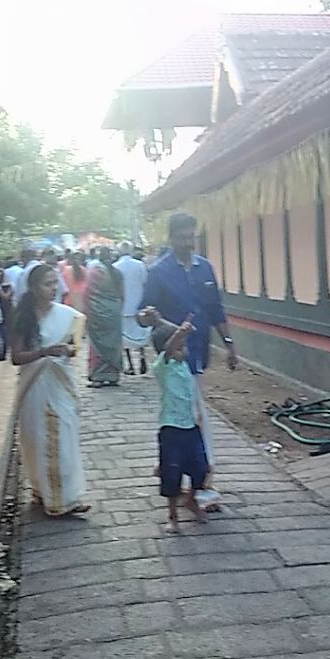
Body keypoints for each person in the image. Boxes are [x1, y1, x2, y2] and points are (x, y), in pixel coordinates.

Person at [7, 263, 91, 517]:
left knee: (64, 437)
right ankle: (45, 492)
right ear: (33, 287)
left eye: (55, 283)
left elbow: (74, 347)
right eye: (47, 284)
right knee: (38, 441)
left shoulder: (68, 315)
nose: (53, 288)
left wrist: (67, 350)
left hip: (59, 385)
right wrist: (45, 351)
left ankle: (66, 496)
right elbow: (17, 357)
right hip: (34, 387)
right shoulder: (22, 317)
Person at [138, 211, 234, 381]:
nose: (188, 243)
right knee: (181, 400)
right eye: (182, 238)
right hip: (173, 352)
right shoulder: (158, 272)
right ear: (171, 238)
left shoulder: (205, 268)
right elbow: (142, 315)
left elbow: (216, 310)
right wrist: (147, 316)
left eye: (191, 237)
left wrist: (229, 344)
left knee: (192, 397)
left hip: (200, 347)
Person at [142, 310, 214, 526]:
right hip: (171, 428)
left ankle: (191, 498)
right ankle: (172, 514)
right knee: (172, 472)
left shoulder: (183, 366)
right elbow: (168, 348)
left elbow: (191, 397)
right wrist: (179, 334)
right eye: (181, 347)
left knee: (201, 468)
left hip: (190, 427)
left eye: (185, 346)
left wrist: (198, 420)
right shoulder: (162, 367)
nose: (185, 350)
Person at [84, 248, 127, 388]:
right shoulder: (117, 273)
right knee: (114, 344)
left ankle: (98, 376)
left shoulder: (93, 271)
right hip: (114, 312)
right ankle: (113, 375)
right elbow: (122, 295)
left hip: (97, 311)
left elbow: (87, 292)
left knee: (98, 344)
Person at [112, 246, 151, 378]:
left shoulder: (115, 266)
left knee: (125, 337)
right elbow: (146, 283)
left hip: (123, 306)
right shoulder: (140, 265)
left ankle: (130, 364)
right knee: (140, 334)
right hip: (138, 304)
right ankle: (142, 358)